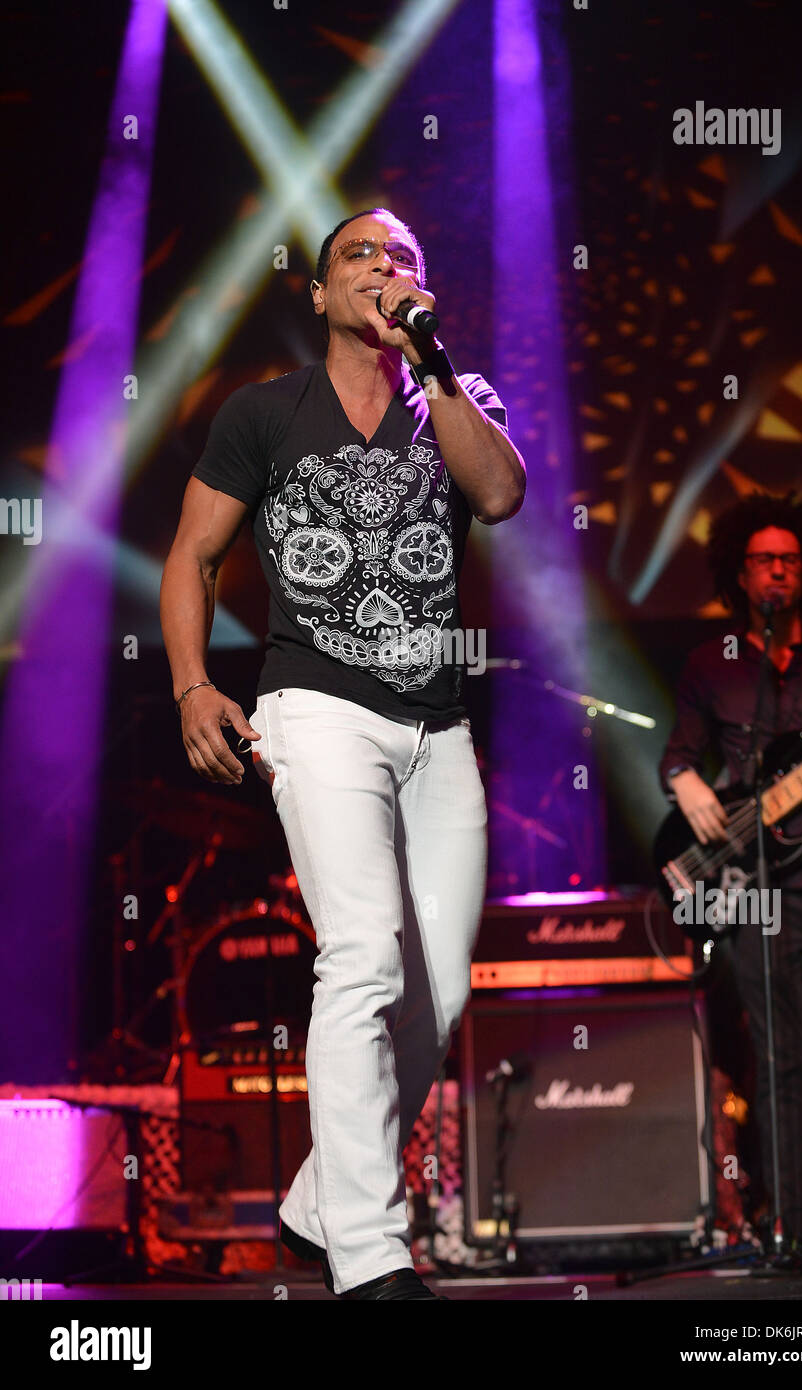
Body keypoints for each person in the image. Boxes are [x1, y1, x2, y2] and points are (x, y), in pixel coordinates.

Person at [160, 207, 525, 1298]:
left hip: (438, 724)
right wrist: (190, 683)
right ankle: (370, 1253)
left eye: (404, 257)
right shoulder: (264, 413)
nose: (383, 268)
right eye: (358, 256)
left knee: (445, 990)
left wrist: (438, 371)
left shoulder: (459, 401)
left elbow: (498, 495)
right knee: (363, 951)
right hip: (314, 709)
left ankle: (323, 1198)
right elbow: (194, 554)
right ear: (318, 296)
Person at [659, 491, 802, 1245]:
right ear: (738, 574)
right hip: (755, 885)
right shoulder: (708, 664)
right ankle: (795, 1230)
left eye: (788, 560)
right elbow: (679, 755)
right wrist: (682, 779)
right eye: (762, 561)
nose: (776, 572)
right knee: (777, 1062)